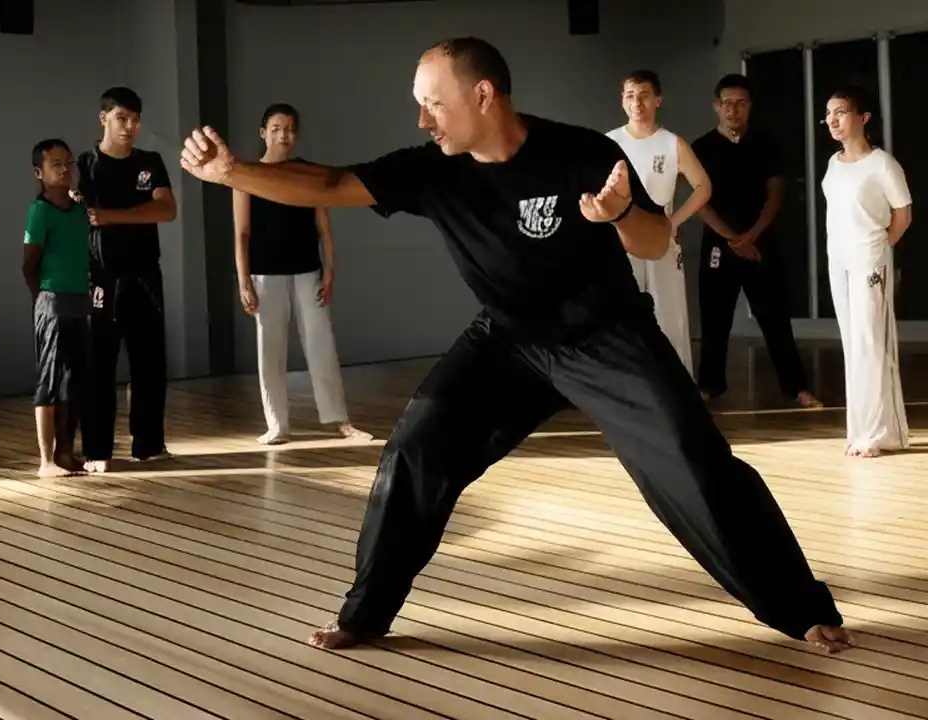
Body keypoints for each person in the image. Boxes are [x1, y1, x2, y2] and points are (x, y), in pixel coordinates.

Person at [180, 37, 853, 655]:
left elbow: (655, 242)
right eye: (419, 107)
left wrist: (620, 213)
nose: (423, 121)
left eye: (433, 105)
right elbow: (328, 184)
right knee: (417, 448)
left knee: (695, 464)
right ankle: (366, 614)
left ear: (483, 97)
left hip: (608, 336)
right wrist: (234, 172)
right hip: (508, 339)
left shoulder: (581, 152)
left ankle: (799, 609)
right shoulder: (433, 170)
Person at [234, 103, 373, 445]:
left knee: (322, 344)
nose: (285, 134)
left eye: (291, 128)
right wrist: (243, 281)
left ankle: (341, 420)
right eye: (277, 127)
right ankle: (277, 424)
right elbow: (242, 233)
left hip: (307, 270)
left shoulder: (307, 172)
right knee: (270, 349)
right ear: (263, 132)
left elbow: (324, 226)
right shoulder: (247, 175)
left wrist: (329, 270)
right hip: (265, 275)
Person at [692, 75, 823, 408]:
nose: (732, 109)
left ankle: (797, 387)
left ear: (750, 106)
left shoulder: (766, 143)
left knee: (775, 317)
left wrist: (750, 236)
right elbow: (699, 203)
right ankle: (709, 386)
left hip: (761, 241)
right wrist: (732, 238)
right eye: (726, 103)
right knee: (714, 319)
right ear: (716, 106)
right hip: (719, 244)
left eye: (740, 103)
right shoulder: (701, 148)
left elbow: (775, 196)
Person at [76, 87, 178, 473]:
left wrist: (112, 215)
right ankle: (97, 450)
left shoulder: (149, 161)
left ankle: (149, 444)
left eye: (135, 120)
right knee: (99, 366)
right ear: (104, 118)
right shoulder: (85, 164)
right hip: (100, 276)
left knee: (149, 363)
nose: (130, 126)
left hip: (144, 276)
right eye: (122, 118)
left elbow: (166, 209)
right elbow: (75, 210)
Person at [820, 86, 913, 457]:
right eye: (828, 114)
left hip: (870, 257)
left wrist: (878, 248)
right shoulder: (832, 163)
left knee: (871, 341)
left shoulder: (883, 164)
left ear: (863, 118)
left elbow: (903, 215)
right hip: (838, 258)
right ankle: (864, 428)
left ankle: (877, 433)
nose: (832, 120)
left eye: (840, 112)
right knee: (852, 342)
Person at [605, 70, 711, 375]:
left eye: (644, 95)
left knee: (669, 318)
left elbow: (703, 186)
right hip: (622, 241)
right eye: (630, 96)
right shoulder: (610, 143)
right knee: (622, 317)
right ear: (622, 102)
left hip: (660, 239)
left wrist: (674, 222)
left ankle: (679, 390)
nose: (637, 102)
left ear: (657, 100)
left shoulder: (671, 143)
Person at [23, 138, 92, 477]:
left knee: (75, 382)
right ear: (39, 172)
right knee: (50, 380)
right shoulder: (39, 211)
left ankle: (67, 452)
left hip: (81, 302)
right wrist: (43, 299)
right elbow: (29, 264)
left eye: (69, 162)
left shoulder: (81, 210)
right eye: (56, 164)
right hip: (52, 303)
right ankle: (45, 460)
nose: (65, 169)